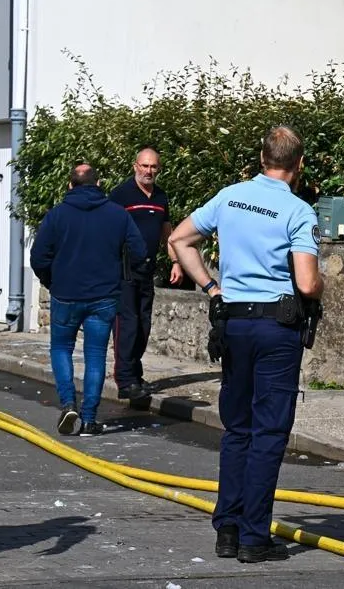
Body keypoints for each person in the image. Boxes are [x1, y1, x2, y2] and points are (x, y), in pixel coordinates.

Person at [168, 126, 323, 565]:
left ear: (261, 158)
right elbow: (307, 283)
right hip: (276, 328)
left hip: (234, 323)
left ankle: (228, 530)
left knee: (237, 429)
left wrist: (211, 287)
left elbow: (179, 239)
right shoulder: (298, 211)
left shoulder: (230, 197)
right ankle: (255, 536)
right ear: (299, 164)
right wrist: (323, 286)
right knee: (268, 431)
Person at [30, 164, 148, 437]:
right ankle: (90, 419)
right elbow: (139, 251)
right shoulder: (118, 214)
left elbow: (38, 257)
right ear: (99, 184)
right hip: (104, 296)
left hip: (65, 294)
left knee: (61, 348)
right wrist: (119, 275)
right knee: (95, 355)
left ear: (70, 185)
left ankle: (68, 403)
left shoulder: (57, 215)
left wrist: (51, 281)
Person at [109, 145, 182, 401]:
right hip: (124, 270)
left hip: (147, 270)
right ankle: (125, 380)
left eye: (153, 167)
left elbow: (167, 234)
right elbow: (108, 231)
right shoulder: (120, 195)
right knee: (127, 325)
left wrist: (176, 261)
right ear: (135, 166)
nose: (148, 171)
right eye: (144, 166)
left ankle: (135, 375)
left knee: (143, 325)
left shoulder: (161, 197)